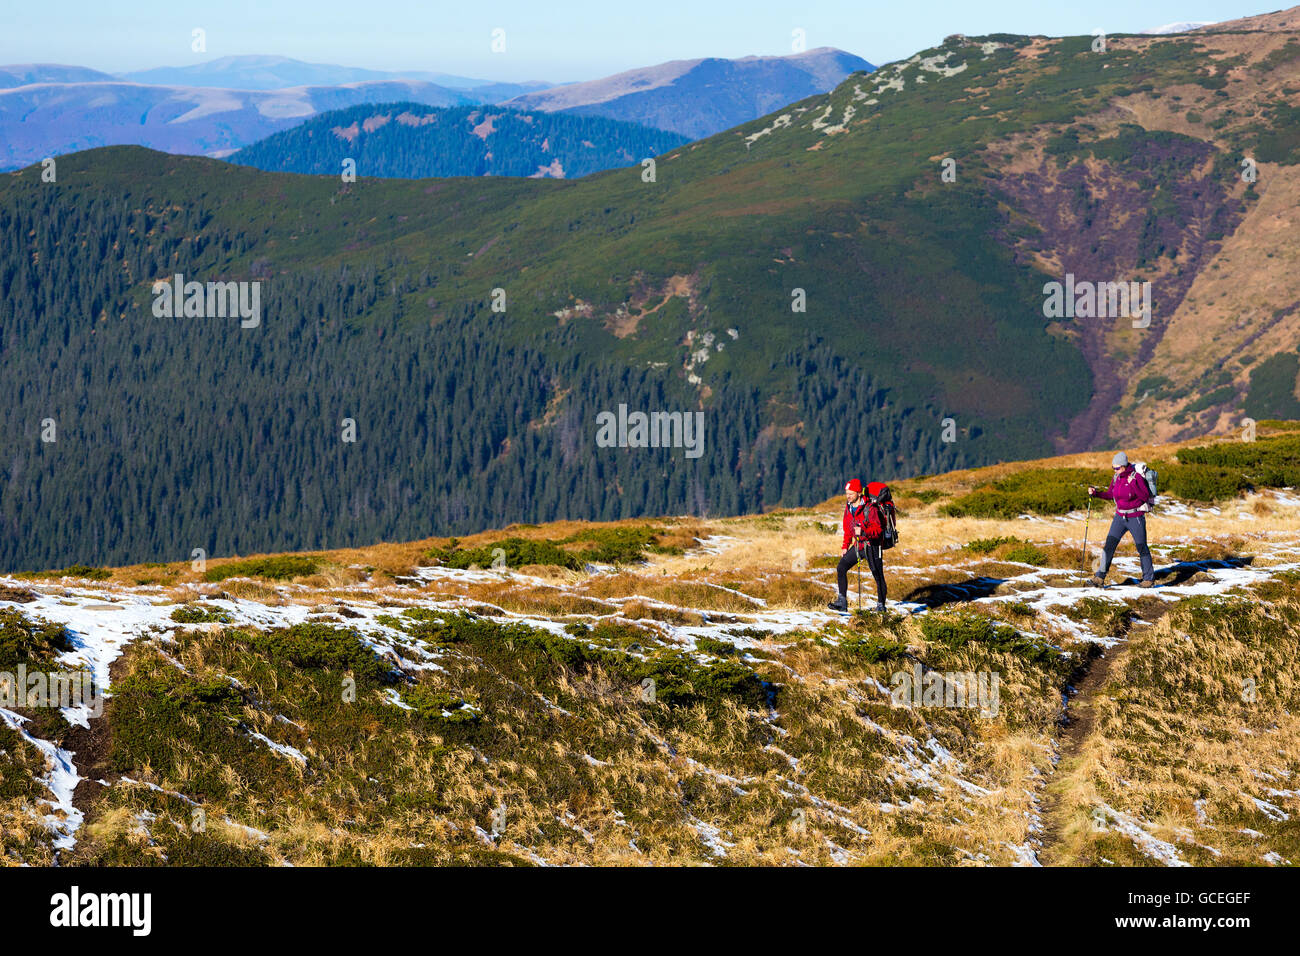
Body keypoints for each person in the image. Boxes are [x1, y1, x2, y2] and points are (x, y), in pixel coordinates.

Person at [1088, 452, 1155, 588]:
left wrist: (1134, 484)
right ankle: (1099, 578)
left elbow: (1144, 496)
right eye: (1113, 468)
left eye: (1117, 468)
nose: (1115, 470)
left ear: (1124, 466)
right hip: (1119, 517)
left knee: (1141, 547)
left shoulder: (1135, 477)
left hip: (1135, 517)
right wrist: (1096, 494)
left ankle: (1148, 579)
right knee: (1109, 546)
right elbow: (1110, 494)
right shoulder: (1116, 477)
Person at [829, 479, 888, 612]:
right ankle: (842, 602)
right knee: (841, 567)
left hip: (872, 546)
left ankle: (881, 606)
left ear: (858, 493)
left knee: (878, 576)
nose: (848, 496)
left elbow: (878, 530)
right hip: (859, 546)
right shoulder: (849, 508)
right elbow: (848, 529)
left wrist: (864, 531)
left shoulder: (870, 509)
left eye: (851, 493)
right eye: (846, 493)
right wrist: (845, 546)